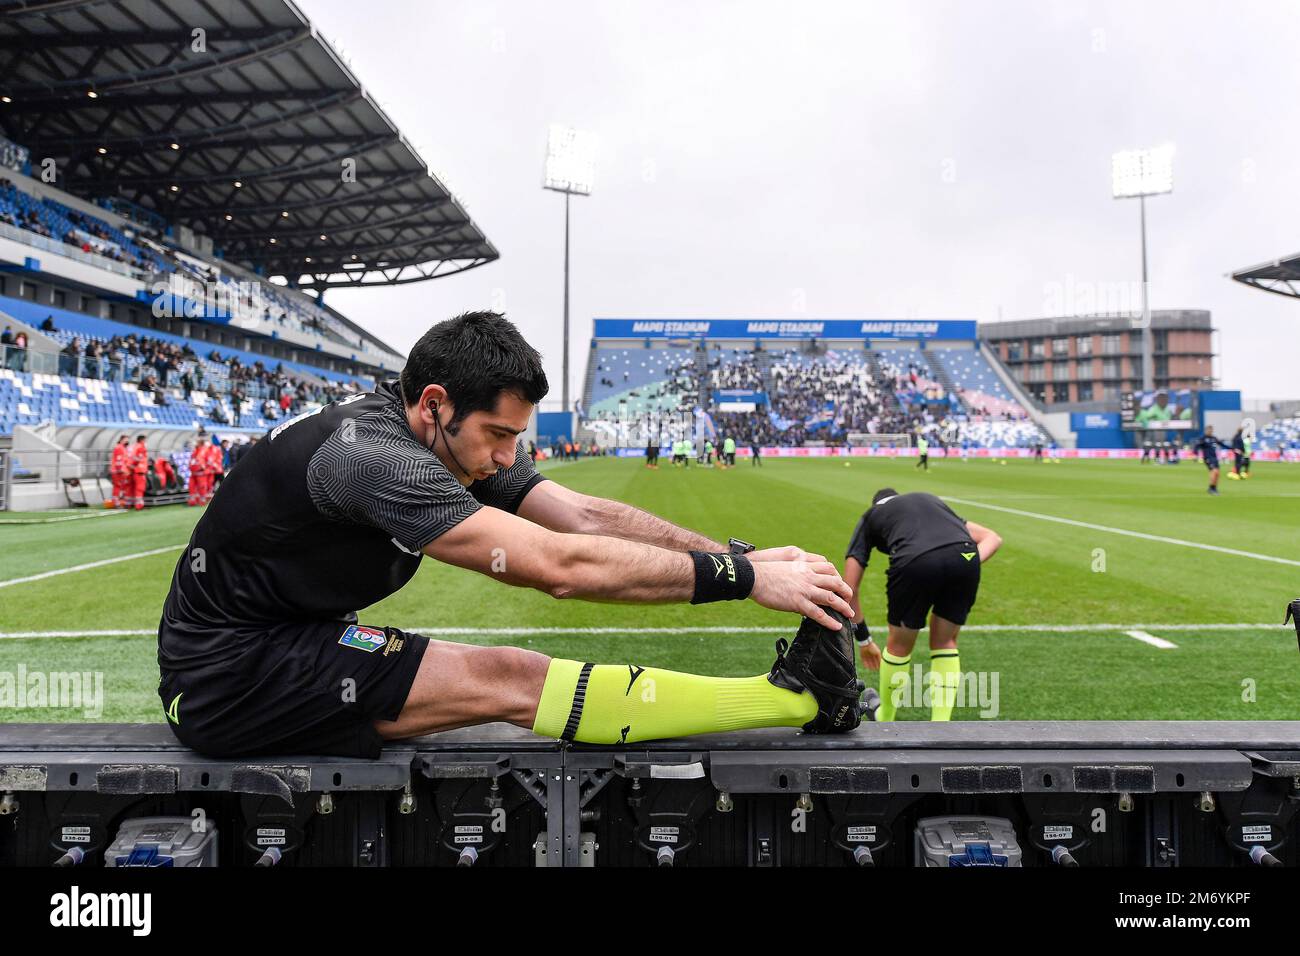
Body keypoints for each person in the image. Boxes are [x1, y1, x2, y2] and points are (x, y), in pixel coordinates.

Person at [156, 312, 863, 759]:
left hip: (289, 635)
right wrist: (746, 583)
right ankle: (792, 700)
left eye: (515, 437)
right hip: (227, 677)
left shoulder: (445, 437)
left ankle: (792, 693)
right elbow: (556, 565)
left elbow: (582, 516)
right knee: (510, 678)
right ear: (435, 405)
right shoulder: (371, 459)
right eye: (498, 435)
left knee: (504, 672)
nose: (506, 457)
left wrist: (735, 557)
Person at [842, 488, 1001, 722]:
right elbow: (993, 538)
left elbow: (850, 588)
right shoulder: (930, 500)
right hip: (965, 555)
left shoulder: (872, 515)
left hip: (913, 561)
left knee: (899, 647)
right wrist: (967, 563)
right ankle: (941, 725)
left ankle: (884, 718)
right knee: (945, 642)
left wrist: (864, 640)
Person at [1192, 426, 1232, 496]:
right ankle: (1211, 488)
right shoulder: (1203, 438)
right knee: (1214, 471)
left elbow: (1222, 444)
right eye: (1209, 430)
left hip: (1214, 458)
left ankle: (1214, 488)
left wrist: (1232, 448)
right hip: (1208, 458)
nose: (1210, 431)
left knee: (1217, 474)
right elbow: (1196, 446)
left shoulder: (1214, 438)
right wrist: (1195, 454)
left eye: (1211, 430)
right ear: (1206, 430)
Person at [108, 434, 130, 509]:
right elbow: (118, 459)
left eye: (128, 440)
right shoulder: (119, 447)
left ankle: (122, 502)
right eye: (126, 440)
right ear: (121, 440)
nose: (127, 441)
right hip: (118, 471)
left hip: (121, 470)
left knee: (122, 486)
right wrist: (120, 469)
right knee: (117, 486)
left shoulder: (123, 448)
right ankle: (116, 503)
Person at [129, 434, 149, 510]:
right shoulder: (140, 447)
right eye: (145, 440)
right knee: (140, 489)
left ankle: (139, 504)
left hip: (137, 471)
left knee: (138, 488)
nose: (146, 442)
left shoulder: (135, 446)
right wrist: (137, 465)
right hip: (140, 471)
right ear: (142, 440)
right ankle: (139, 505)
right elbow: (137, 458)